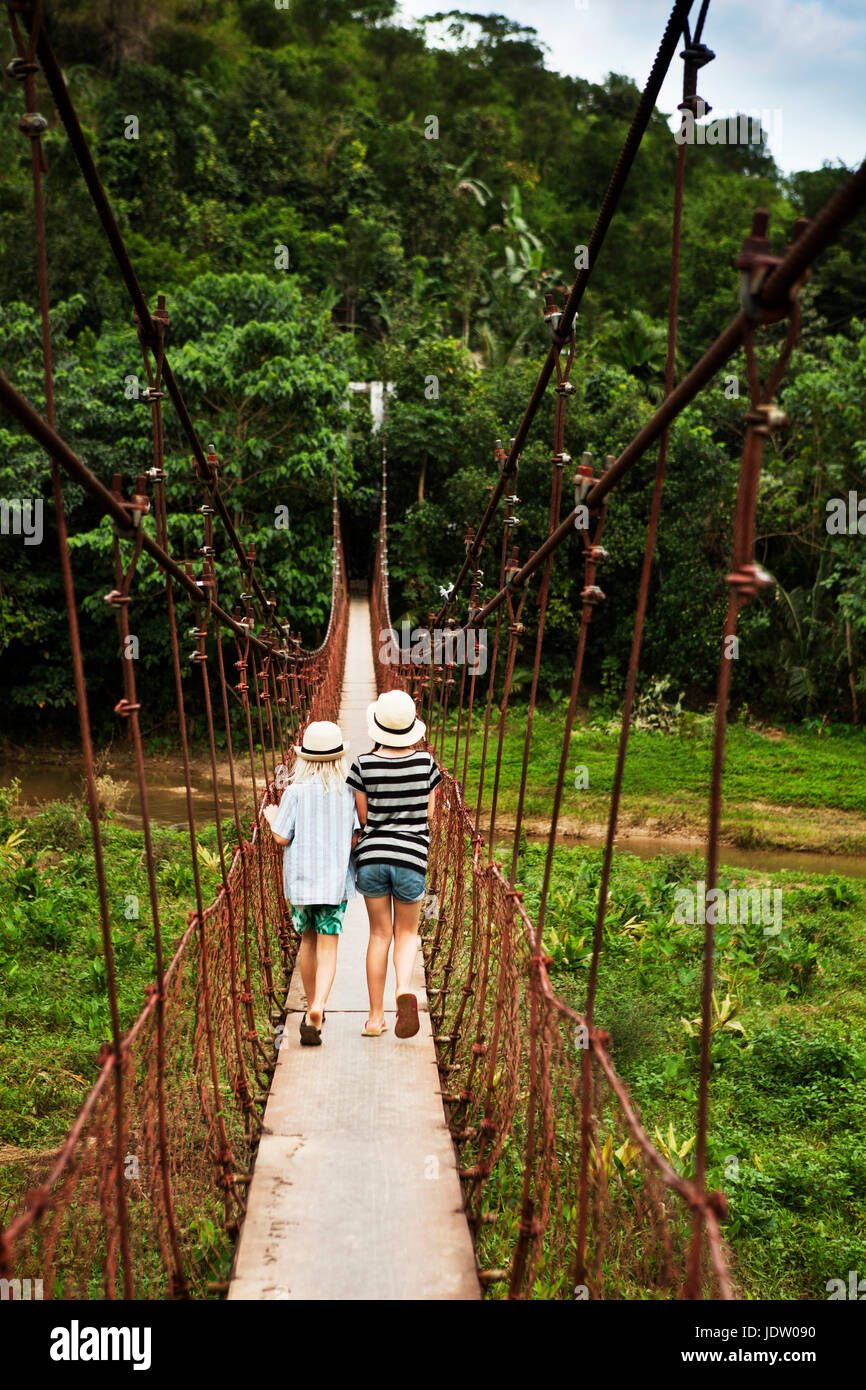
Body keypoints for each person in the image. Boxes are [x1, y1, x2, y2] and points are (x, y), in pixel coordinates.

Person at [346, 689, 441, 1039]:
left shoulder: (361, 764)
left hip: (371, 857)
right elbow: (430, 813)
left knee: (378, 934)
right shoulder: (427, 764)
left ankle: (374, 1018)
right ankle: (404, 988)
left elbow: (362, 815)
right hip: (411, 858)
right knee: (406, 933)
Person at [262, 719, 357, 1047]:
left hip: (301, 885)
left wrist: (273, 818)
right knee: (329, 945)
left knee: (308, 942)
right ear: (339, 757)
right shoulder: (349, 792)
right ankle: (318, 1008)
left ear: (304, 758)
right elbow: (356, 837)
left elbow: (280, 838)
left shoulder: (294, 792)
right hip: (333, 886)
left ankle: (309, 1002)